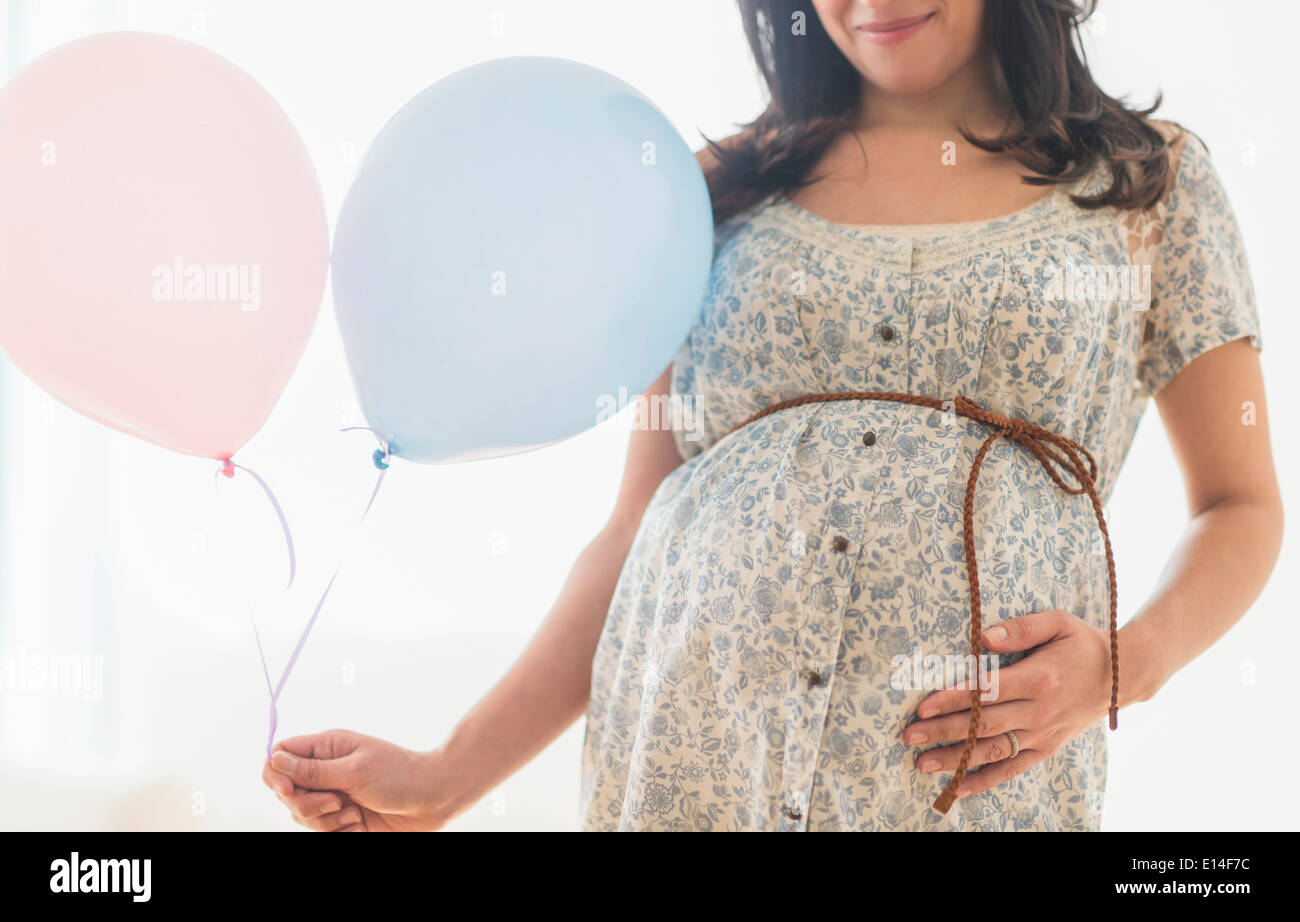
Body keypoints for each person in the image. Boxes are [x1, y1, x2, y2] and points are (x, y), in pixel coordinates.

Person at [263, 0, 1282, 831]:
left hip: (968, 789)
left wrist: (1124, 664)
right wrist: (446, 775)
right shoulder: (716, 190)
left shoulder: (1151, 183)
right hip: (690, 765)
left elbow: (1239, 506)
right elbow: (633, 529)